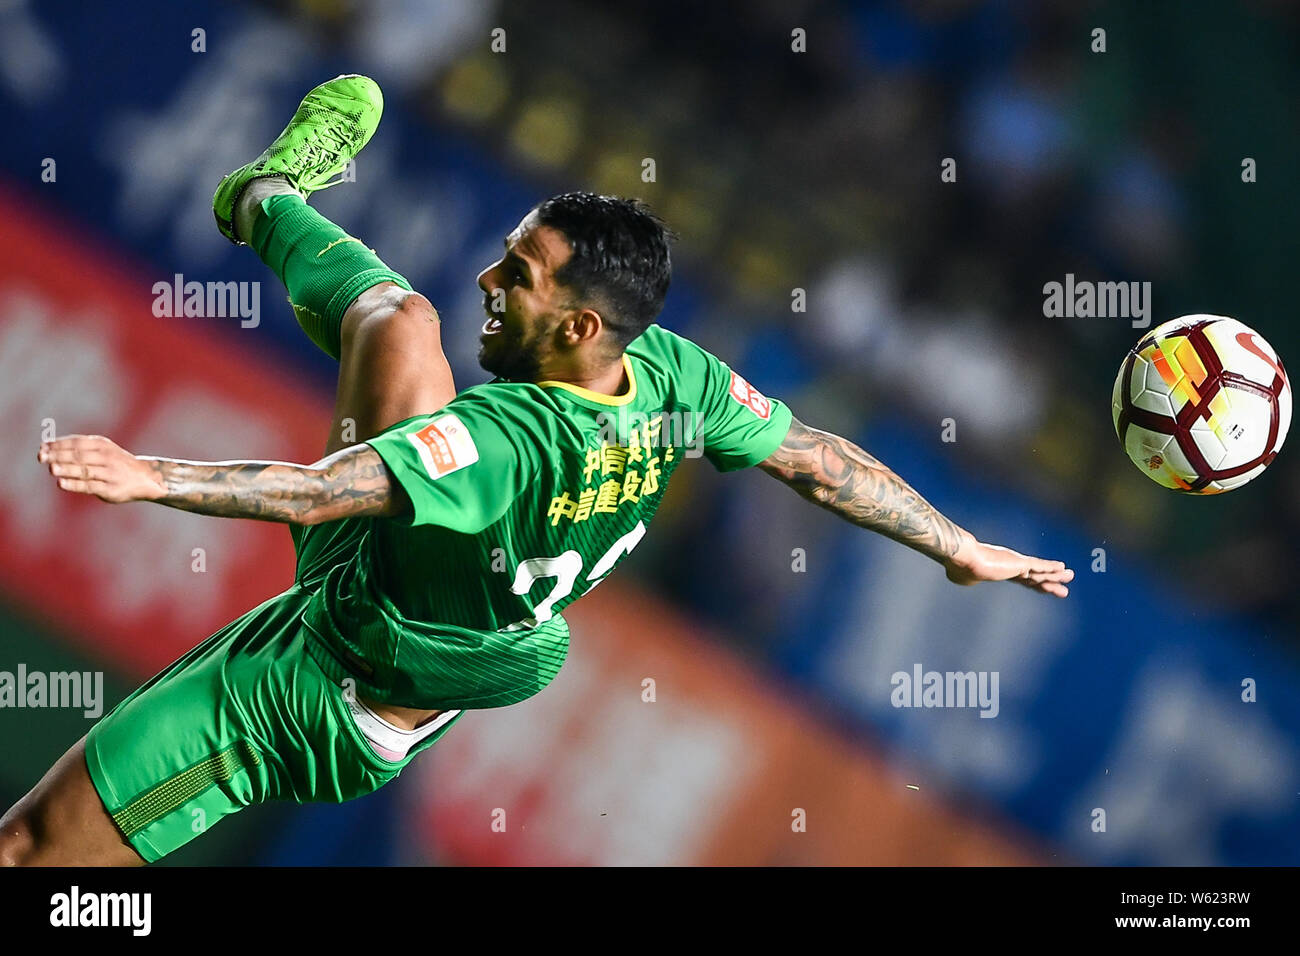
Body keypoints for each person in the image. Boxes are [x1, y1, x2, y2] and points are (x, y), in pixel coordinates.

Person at [1, 76, 1073, 865]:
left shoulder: (510, 437)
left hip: (321, 687)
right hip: (429, 597)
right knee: (401, 319)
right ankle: (264, 191)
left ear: (577, 324)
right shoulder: (672, 374)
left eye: (516, 275)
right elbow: (815, 457)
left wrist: (149, 476)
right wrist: (955, 544)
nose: (489, 276)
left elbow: (323, 490)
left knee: (37, 857)